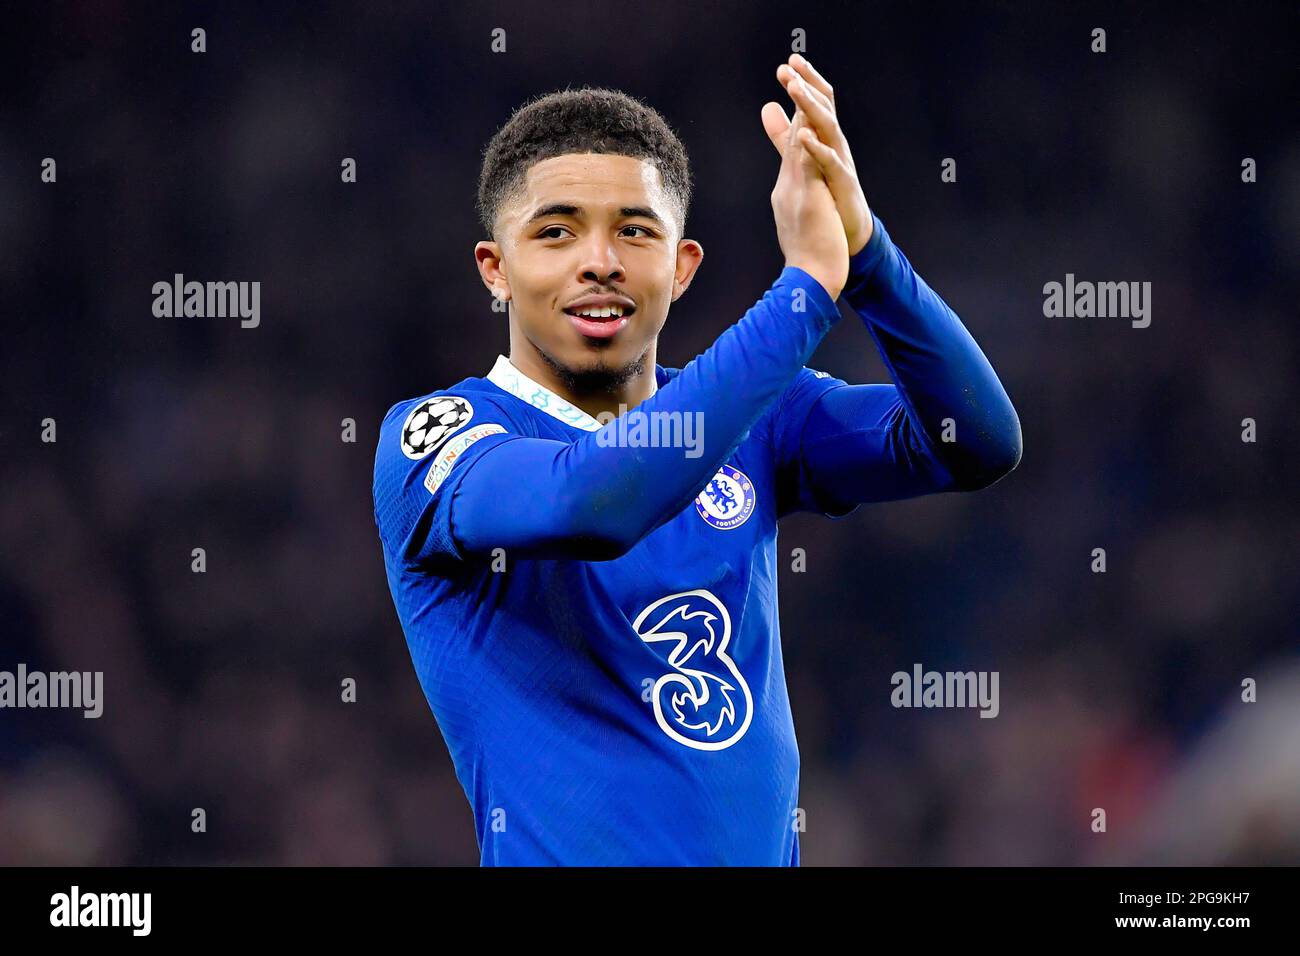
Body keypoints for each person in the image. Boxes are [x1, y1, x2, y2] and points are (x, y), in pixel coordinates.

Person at [373, 54, 1021, 865]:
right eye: (555, 231)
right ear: (495, 270)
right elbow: (595, 505)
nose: (598, 260)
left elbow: (979, 442)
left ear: (681, 269)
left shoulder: (758, 417)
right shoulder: (438, 437)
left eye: (635, 231)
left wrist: (868, 255)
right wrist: (803, 291)